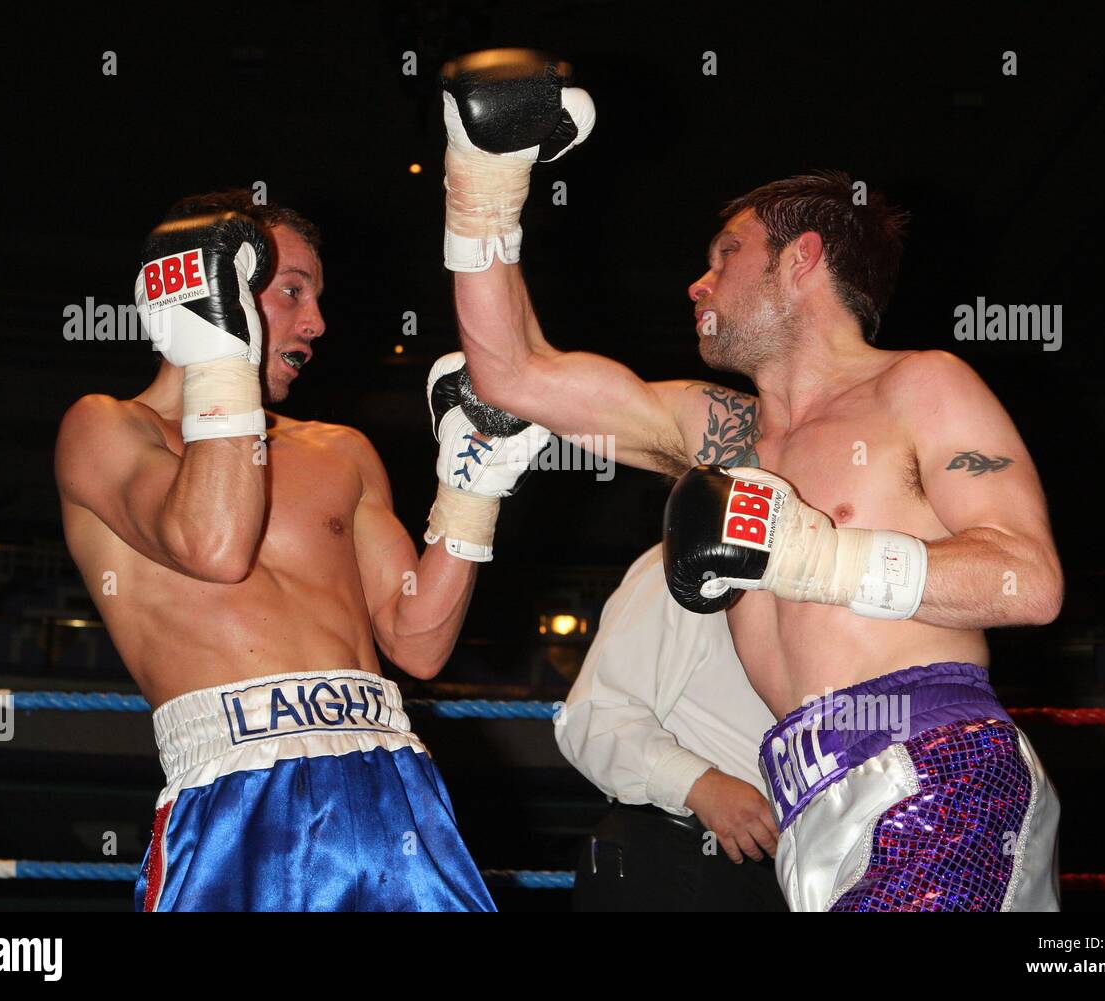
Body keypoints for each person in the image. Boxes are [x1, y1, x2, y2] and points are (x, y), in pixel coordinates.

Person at [440, 50, 1062, 911]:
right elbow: (513, 375)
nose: (697, 281)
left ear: (802, 259)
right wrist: (482, 183)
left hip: (933, 773)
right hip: (804, 809)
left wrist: (816, 558)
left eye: (726, 253)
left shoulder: (919, 385)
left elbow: (1026, 582)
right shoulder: (718, 433)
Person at [55, 190, 547, 911]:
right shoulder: (106, 429)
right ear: (215, 280)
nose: (316, 322)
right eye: (292, 290)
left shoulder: (341, 450)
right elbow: (214, 544)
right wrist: (219, 350)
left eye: (316, 296)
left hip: (394, 781)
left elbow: (419, 642)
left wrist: (474, 486)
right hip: (236, 798)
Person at [557, 544, 785, 912]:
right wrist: (700, 785)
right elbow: (593, 715)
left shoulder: (835, 574)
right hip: (677, 855)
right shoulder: (690, 559)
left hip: (773, 870)